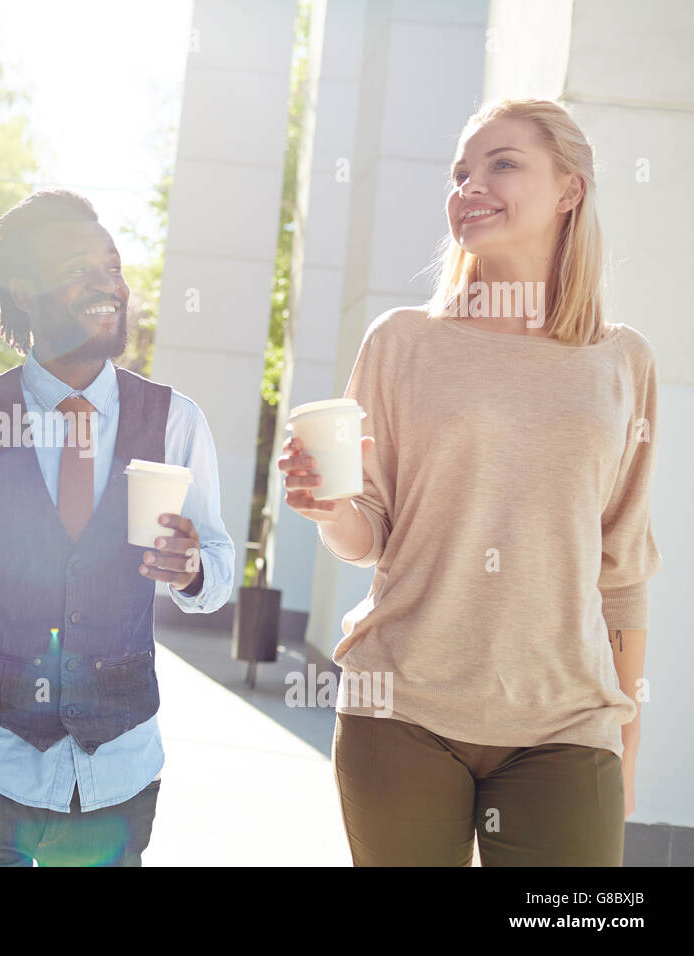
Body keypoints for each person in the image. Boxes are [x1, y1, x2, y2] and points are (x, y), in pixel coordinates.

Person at [279, 99, 662, 866]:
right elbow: (370, 531)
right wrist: (329, 508)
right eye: (460, 173)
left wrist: (626, 741)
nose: (470, 186)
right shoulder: (403, 342)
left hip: (565, 727)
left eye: (502, 164)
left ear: (569, 189)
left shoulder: (622, 362)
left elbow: (620, 568)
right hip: (402, 711)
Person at [0, 189, 234, 867]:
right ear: (26, 287)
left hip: (118, 777)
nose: (107, 283)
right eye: (79, 267)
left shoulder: (176, 423)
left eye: (113, 265)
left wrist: (192, 568)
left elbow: (216, 566)